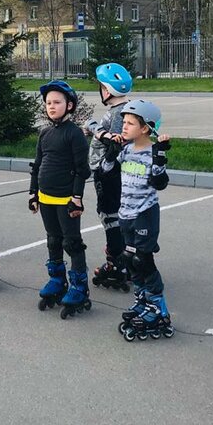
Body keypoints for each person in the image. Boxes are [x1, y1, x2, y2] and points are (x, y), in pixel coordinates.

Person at [99, 99, 175, 340]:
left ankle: (158, 307)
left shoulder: (152, 152)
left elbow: (159, 183)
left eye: (130, 123)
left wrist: (160, 156)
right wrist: (111, 152)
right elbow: (106, 170)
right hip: (125, 213)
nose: (124, 126)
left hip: (145, 213)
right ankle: (143, 300)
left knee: (143, 260)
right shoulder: (127, 150)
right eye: (124, 122)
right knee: (130, 260)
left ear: (145, 128)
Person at [29, 81, 91, 317]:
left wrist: (77, 198)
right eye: (48, 103)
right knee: (53, 240)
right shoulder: (45, 133)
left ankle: (79, 285)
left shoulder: (74, 134)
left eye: (57, 102)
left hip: (66, 199)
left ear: (70, 105)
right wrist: (33, 193)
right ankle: (57, 280)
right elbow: (37, 165)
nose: (52, 107)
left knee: (71, 242)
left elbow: (81, 169)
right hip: (45, 198)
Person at [85, 62, 134, 292]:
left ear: (106, 90)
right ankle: (128, 260)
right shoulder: (128, 109)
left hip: (108, 173)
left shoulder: (116, 114)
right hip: (119, 174)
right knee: (120, 214)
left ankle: (116, 264)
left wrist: (94, 127)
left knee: (109, 215)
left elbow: (113, 141)